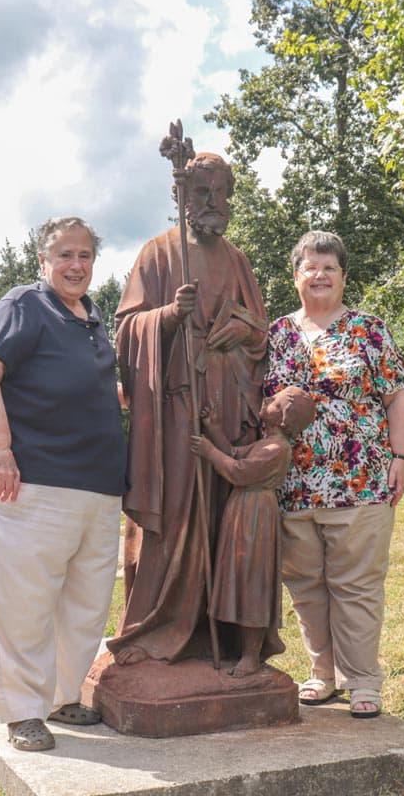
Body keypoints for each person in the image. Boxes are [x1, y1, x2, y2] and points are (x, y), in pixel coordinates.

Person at [0, 217, 127, 752]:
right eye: (64, 255)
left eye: (84, 255)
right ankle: (22, 711)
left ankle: (61, 696)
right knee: (24, 600)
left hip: (96, 485)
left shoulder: (92, 317)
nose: (75, 265)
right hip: (28, 480)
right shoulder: (25, 304)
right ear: (43, 261)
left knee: (85, 601)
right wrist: (2, 450)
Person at [107, 152, 268, 666]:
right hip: (176, 413)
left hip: (230, 412)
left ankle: (218, 628)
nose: (212, 203)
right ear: (180, 195)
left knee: (226, 520)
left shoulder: (238, 259)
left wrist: (244, 329)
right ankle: (160, 625)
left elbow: (261, 333)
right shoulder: (157, 253)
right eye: (201, 193)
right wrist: (168, 317)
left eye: (221, 193)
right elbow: (127, 329)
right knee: (176, 516)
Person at [264, 230, 404, 718]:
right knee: (305, 585)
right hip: (293, 486)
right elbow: (255, 401)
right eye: (311, 266)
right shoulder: (277, 334)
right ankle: (322, 674)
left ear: (344, 277)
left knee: (356, 585)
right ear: (295, 276)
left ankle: (363, 680)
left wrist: (400, 456)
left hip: (361, 479)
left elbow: (397, 393)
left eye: (329, 267)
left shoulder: (369, 330)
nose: (320, 274)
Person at [190, 387, 316, 677]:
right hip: (242, 510)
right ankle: (238, 647)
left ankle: (251, 655)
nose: (269, 399)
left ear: (284, 419)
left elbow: (239, 471)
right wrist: (214, 428)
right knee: (239, 577)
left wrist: (209, 452)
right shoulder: (266, 443)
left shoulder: (276, 449)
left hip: (257, 517)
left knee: (252, 584)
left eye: (277, 401)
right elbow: (234, 453)